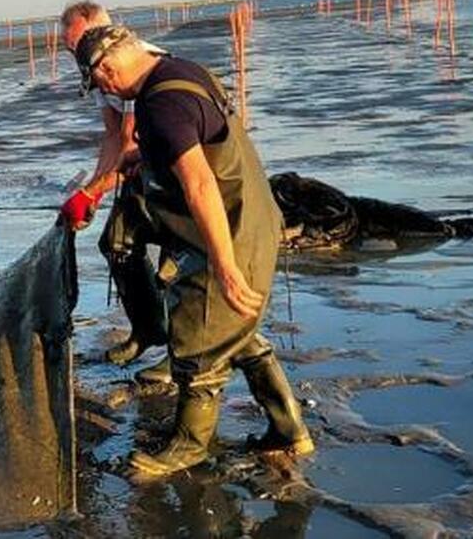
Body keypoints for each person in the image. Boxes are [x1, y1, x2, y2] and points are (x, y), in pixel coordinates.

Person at [72, 24, 312, 477]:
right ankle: (289, 430)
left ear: (107, 69)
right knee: (233, 328)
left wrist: (224, 266)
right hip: (256, 215)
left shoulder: (160, 106)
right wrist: (144, 158)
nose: (103, 90)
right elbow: (199, 141)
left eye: (99, 82)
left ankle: (190, 444)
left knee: (198, 337)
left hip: (230, 228)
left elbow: (201, 185)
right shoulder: (180, 70)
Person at [58, 0, 171, 386]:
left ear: (100, 30)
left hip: (172, 164)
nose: (74, 53)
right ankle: (148, 329)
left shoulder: (129, 64)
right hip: (138, 165)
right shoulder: (96, 69)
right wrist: (92, 193)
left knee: (177, 263)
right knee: (116, 243)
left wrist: (92, 193)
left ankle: (183, 355)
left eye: (77, 43)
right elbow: (111, 137)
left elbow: (130, 138)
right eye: (69, 48)